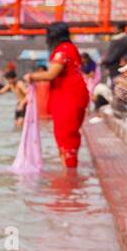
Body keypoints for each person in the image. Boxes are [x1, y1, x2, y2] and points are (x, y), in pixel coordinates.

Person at [27, 22, 90, 168]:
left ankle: (68, 180)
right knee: (68, 137)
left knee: (65, 138)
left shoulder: (62, 50)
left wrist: (31, 76)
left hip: (68, 97)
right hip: (74, 94)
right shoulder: (72, 48)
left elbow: (51, 74)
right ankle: (69, 173)